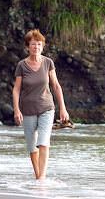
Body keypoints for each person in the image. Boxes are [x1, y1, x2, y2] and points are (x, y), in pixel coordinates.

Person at [12, 29, 69, 179]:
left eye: (39, 44)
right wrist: (16, 110)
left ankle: (42, 178)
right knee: (32, 146)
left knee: (43, 142)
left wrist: (63, 108)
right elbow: (16, 89)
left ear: (42, 46)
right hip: (28, 110)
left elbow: (56, 86)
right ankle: (38, 176)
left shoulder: (48, 63)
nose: (36, 47)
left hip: (47, 108)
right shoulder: (22, 66)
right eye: (33, 44)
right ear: (27, 47)